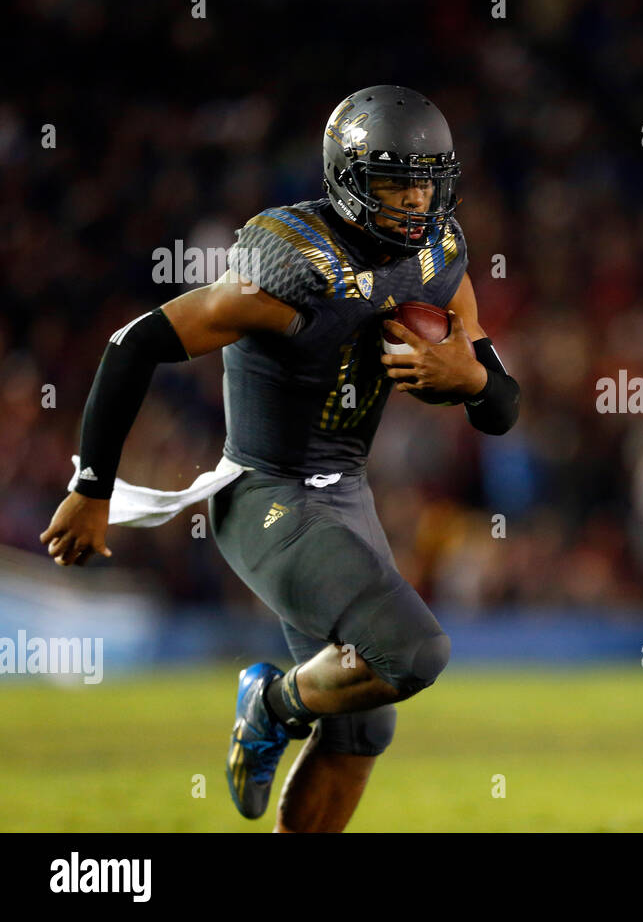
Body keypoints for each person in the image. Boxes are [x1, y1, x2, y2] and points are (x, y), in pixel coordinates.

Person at [38, 85, 519, 831]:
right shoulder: (292, 268)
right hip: (267, 494)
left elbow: (503, 409)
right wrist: (92, 483)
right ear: (349, 178)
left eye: (429, 177)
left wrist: (475, 380)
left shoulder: (439, 257)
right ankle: (270, 702)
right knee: (414, 653)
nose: (417, 198)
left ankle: (283, 706)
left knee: (364, 726)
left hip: (344, 491)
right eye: (396, 178)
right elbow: (134, 343)